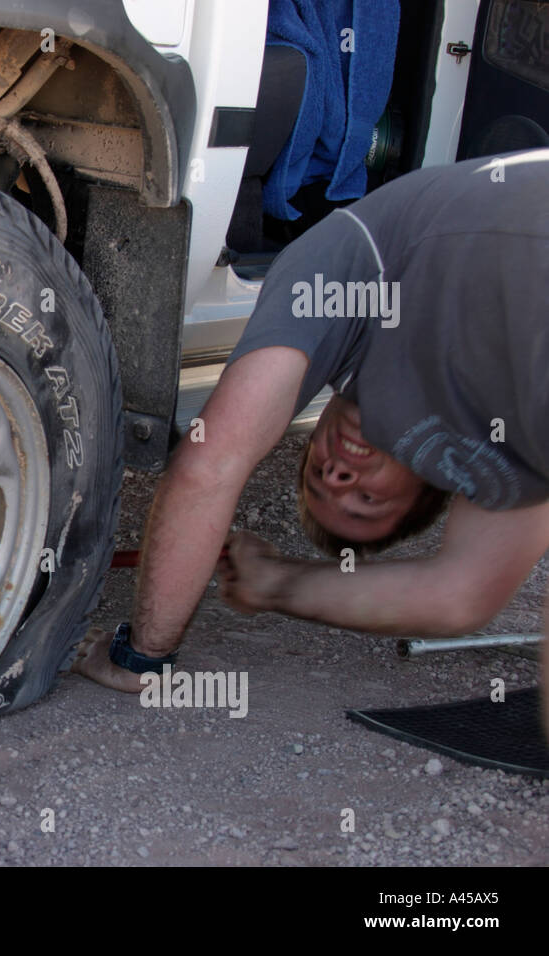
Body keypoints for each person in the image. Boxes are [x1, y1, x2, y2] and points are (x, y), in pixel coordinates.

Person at [73, 150, 549, 732]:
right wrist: (277, 583)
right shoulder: (507, 456)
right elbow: (461, 595)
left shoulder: (346, 262)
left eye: (318, 477)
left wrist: (141, 659)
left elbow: (211, 464)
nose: (339, 473)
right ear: (438, 479)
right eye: (367, 498)